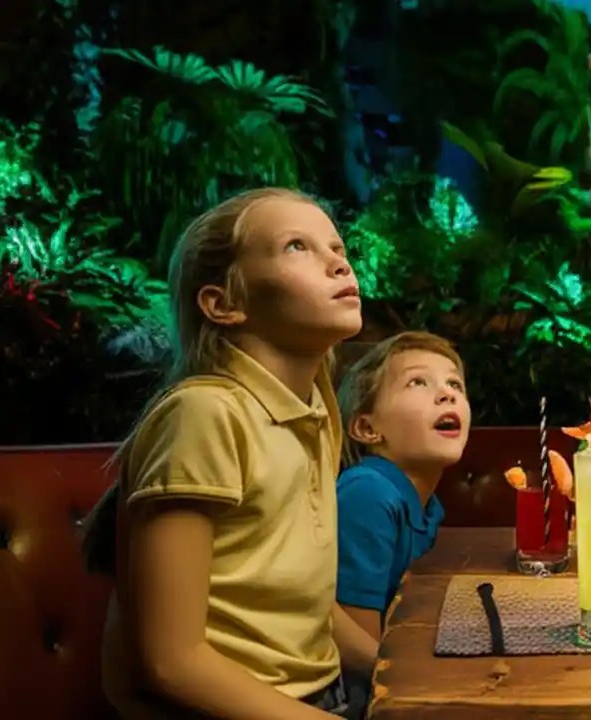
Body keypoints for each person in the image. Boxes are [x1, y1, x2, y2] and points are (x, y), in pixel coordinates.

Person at [80, 188, 376, 719]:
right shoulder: (204, 414)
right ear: (223, 303)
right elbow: (173, 662)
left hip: (323, 696)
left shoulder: (314, 411)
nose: (337, 262)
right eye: (296, 247)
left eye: (338, 247)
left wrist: (397, 668)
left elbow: (306, 607)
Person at [333, 331, 471, 717]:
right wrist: (425, 685)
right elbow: (355, 644)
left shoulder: (425, 504)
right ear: (366, 428)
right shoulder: (369, 494)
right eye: (417, 382)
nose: (447, 395)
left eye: (454, 384)